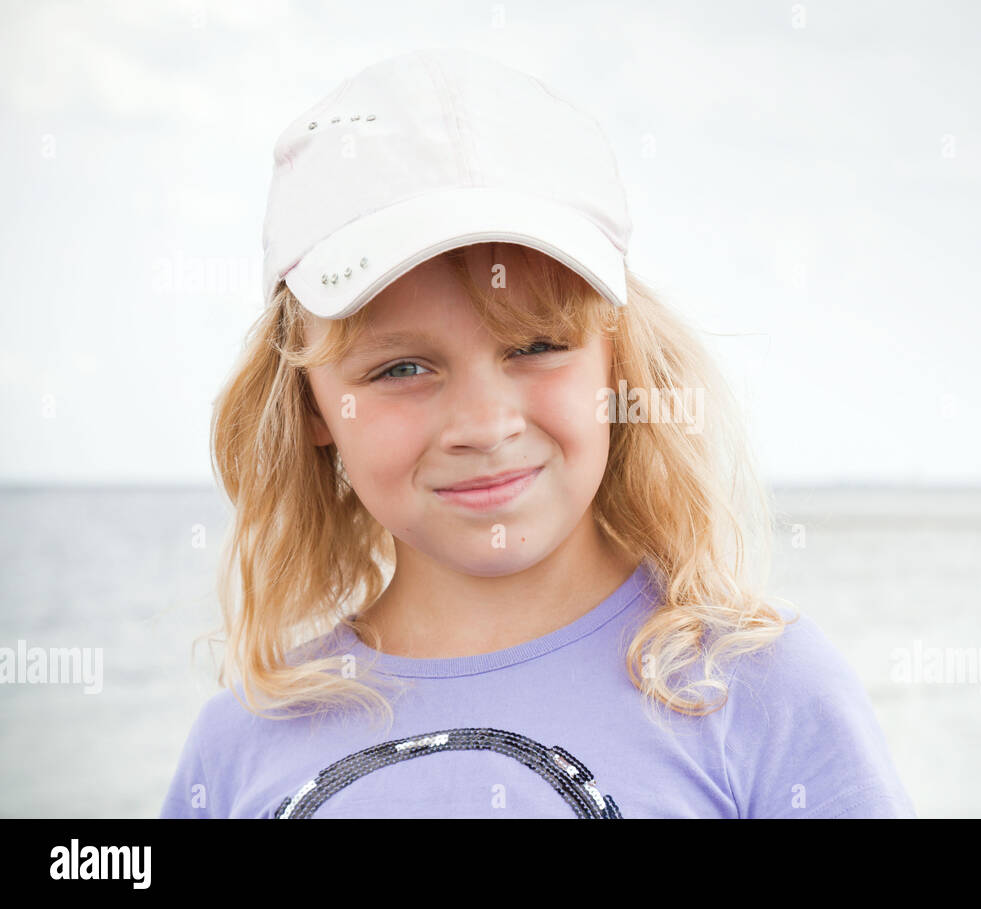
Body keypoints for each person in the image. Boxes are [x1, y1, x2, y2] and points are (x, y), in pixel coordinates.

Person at [159, 47, 916, 819]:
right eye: (400, 369)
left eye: (535, 347)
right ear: (310, 406)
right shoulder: (240, 744)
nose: (485, 425)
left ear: (618, 361)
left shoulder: (755, 690)